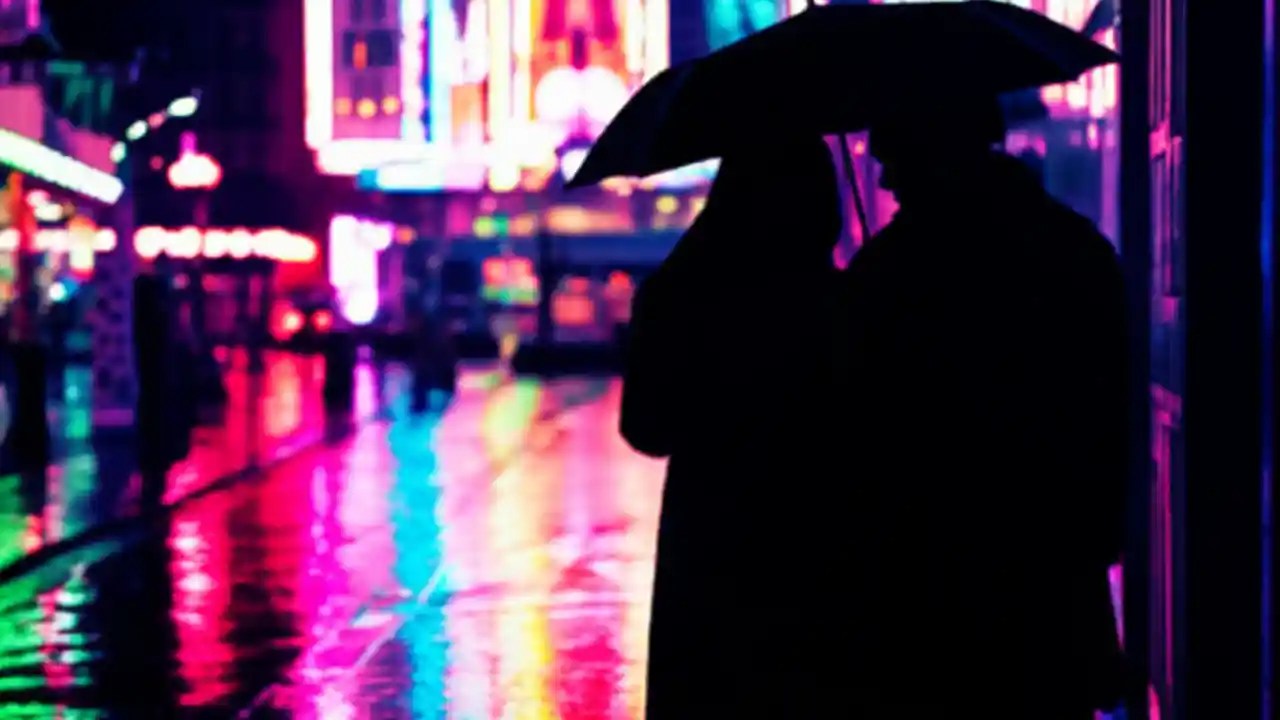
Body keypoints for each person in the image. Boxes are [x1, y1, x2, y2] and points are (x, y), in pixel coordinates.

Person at [833, 94, 1129, 718]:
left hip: (925, 585)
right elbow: (1108, 411)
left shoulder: (891, 273)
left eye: (894, 157)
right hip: (1050, 575)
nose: (883, 177)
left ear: (933, 150)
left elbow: (855, 432)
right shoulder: (1076, 250)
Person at [620, 136, 844, 719]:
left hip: (711, 549)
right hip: (822, 554)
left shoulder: (683, 292)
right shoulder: (844, 301)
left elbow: (646, 427)